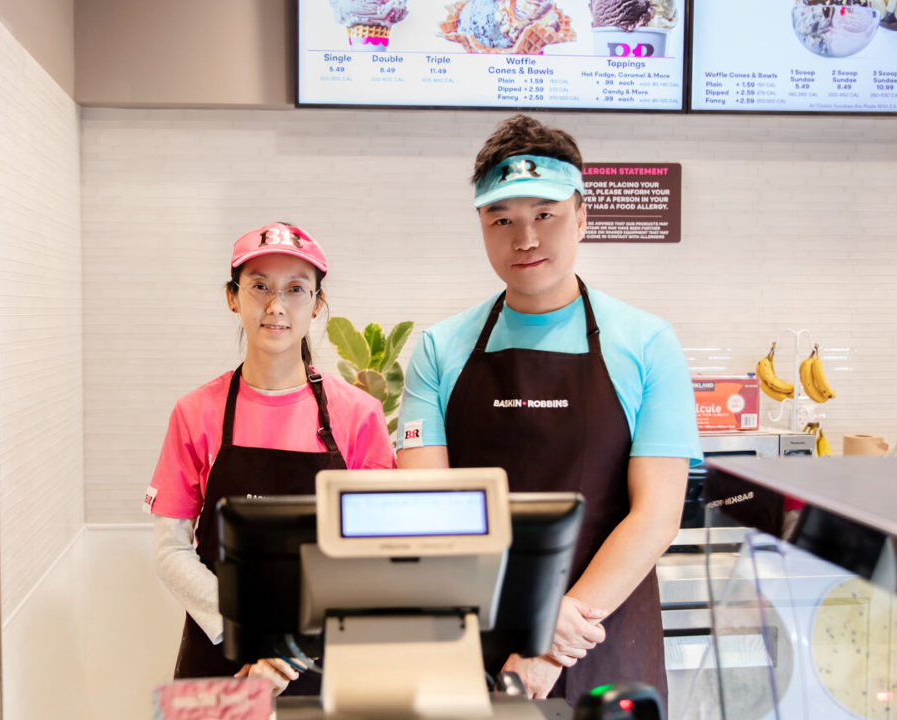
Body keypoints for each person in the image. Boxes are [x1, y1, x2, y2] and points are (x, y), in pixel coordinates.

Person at [396, 116, 701, 703]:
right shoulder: (441, 349)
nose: (525, 238)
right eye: (502, 219)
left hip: (602, 637)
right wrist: (529, 619)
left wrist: (552, 643)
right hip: (476, 637)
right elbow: (427, 509)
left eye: (545, 214)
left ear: (582, 217)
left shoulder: (646, 342)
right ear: (481, 226)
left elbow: (657, 515)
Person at [146, 222, 396, 695]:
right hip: (218, 650)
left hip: (322, 656)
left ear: (318, 304)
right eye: (259, 286)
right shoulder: (195, 412)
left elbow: (377, 552)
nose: (276, 306)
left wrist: (291, 644)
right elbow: (170, 550)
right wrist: (253, 631)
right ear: (233, 297)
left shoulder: (359, 414)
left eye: (296, 289)